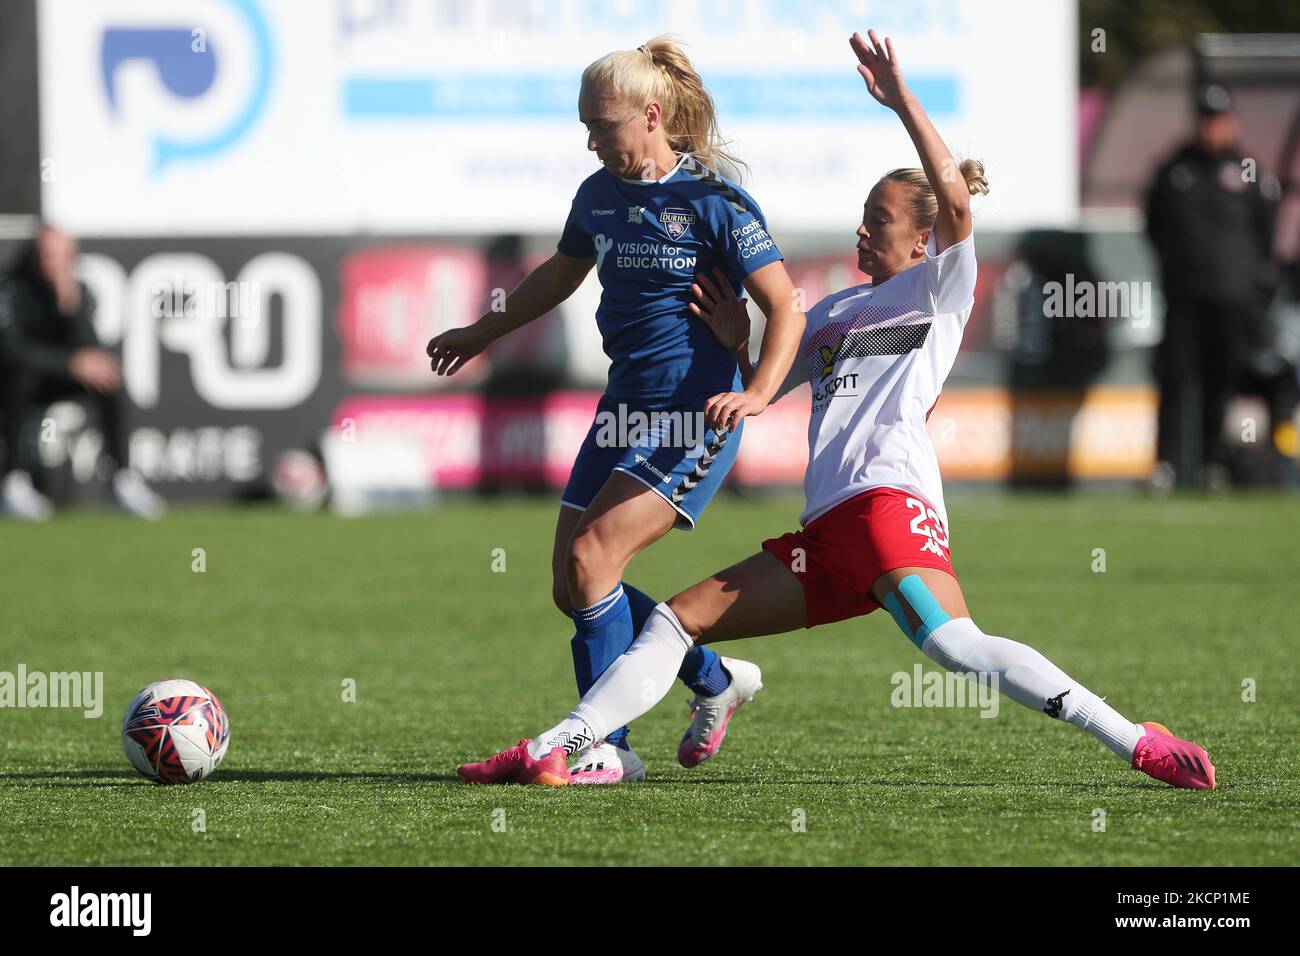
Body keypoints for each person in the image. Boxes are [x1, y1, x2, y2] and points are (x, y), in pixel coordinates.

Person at [458, 30, 1216, 791]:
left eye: (877, 219)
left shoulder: (936, 293)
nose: (862, 228)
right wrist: (738, 346)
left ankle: (1134, 740)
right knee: (674, 619)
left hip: (888, 505)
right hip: (824, 534)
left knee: (955, 649)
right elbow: (766, 386)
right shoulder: (835, 314)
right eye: (861, 215)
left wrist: (901, 102)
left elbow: (952, 196)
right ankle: (588, 738)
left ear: (924, 241)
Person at [426, 36, 804, 783]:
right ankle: (714, 679)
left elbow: (785, 305)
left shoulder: (714, 203)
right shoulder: (598, 195)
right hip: (622, 407)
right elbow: (557, 279)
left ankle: (612, 749)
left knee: (592, 558)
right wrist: (482, 332)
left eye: (603, 126)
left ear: (652, 115)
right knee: (573, 584)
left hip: (695, 414)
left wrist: (757, 390)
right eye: (585, 127)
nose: (592, 141)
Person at [1145, 82, 1279, 490]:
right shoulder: (1174, 169)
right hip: (1185, 297)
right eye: (1205, 119)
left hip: (1233, 300)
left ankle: (1213, 465)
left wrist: (1253, 283)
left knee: (1223, 383)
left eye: (1218, 120)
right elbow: (1154, 226)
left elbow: (1264, 232)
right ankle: (1166, 466)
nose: (1211, 128)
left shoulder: (1248, 170)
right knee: (1175, 378)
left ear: (1230, 122)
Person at [0, 224, 166, 520]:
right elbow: (13, 352)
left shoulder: (76, 291)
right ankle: (13, 481)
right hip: (16, 379)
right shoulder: (10, 288)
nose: (52, 263)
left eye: (59, 256)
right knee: (19, 381)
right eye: (46, 255)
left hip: (55, 377)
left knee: (108, 378)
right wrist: (69, 363)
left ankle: (122, 480)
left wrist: (71, 307)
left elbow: (90, 351)